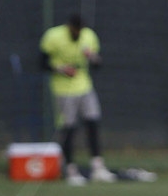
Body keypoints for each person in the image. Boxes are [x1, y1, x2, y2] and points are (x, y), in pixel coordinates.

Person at [39, 14, 115, 185]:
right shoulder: (54, 36)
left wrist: (93, 57)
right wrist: (61, 69)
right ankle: (70, 169)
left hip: (84, 86)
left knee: (93, 123)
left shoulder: (89, 36)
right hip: (63, 90)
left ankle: (98, 167)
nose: (78, 33)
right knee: (68, 128)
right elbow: (42, 63)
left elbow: (97, 65)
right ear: (69, 27)